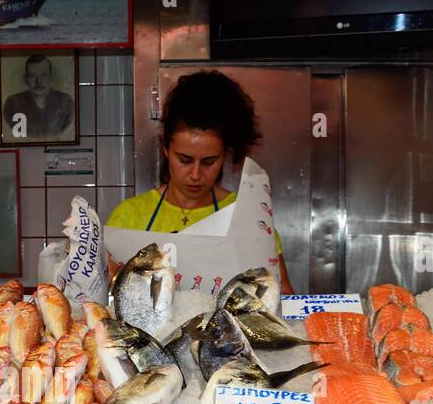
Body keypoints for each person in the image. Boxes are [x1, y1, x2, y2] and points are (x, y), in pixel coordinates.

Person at [106, 70, 293, 293]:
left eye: (209, 162)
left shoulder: (248, 217)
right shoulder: (129, 217)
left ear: (225, 154)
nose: (195, 174)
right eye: (184, 160)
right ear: (165, 147)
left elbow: (283, 301)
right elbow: (106, 299)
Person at [2, 54, 74, 141]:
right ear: (26, 79)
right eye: (32, 76)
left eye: (44, 75)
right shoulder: (13, 103)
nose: (38, 81)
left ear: (50, 77)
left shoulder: (66, 102)